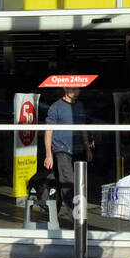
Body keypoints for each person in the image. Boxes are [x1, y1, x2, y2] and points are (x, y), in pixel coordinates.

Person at [44, 85, 92, 219]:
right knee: (68, 182)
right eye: (73, 89)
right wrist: (49, 155)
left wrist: (87, 148)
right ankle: (76, 218)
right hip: (62, 150)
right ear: (65, 88)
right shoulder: (56, 107)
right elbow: (48, 132)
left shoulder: (80, 106)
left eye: (78, 89)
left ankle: (52, 214)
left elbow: (83, 128)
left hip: (77, 150)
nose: (77, 91)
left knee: (76, 183)